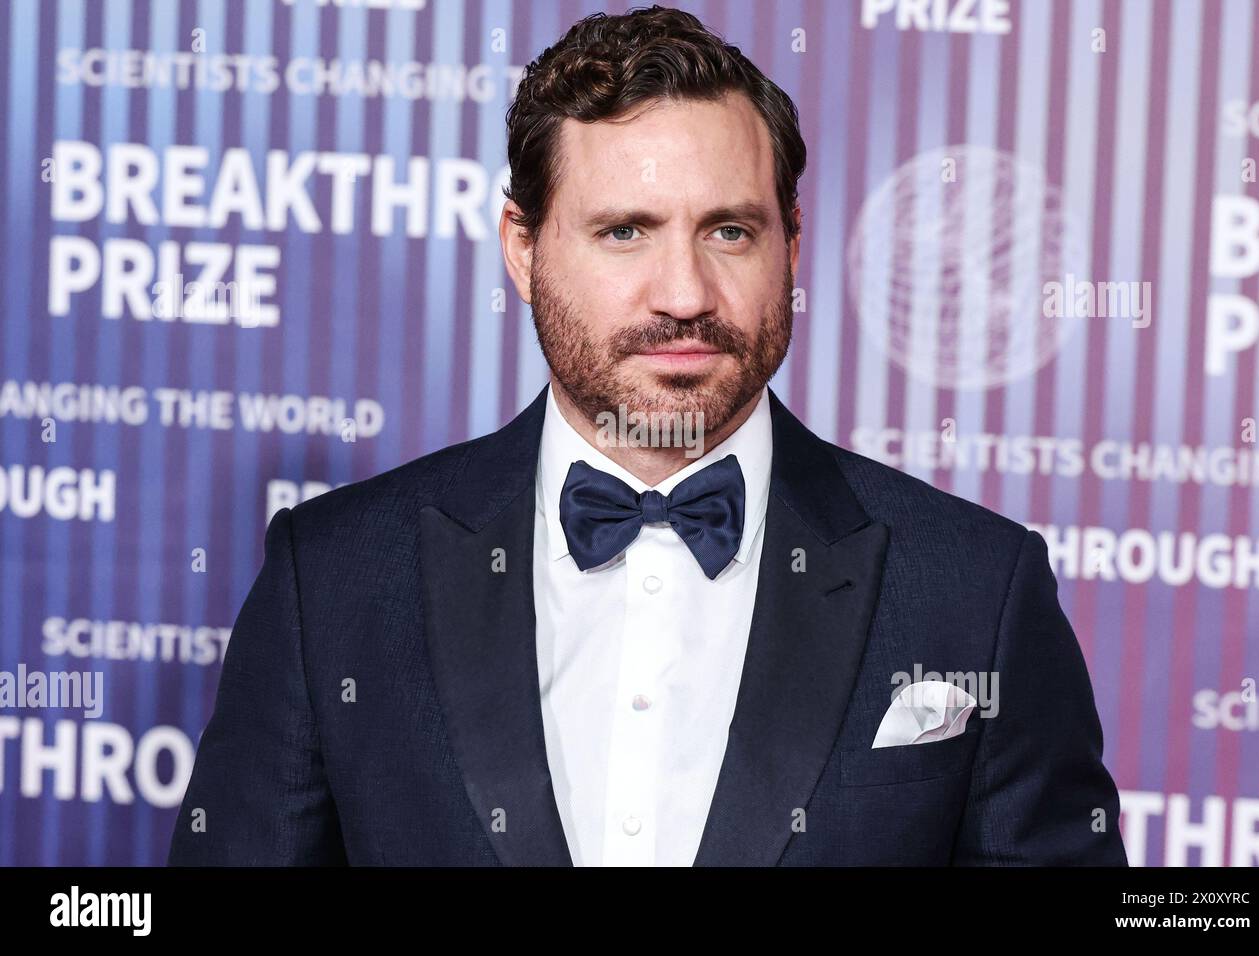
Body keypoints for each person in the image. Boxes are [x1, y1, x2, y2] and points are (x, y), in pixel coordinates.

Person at [168, 5, 1127, 867]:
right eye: (625, 231)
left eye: (730, 232)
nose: (684, 295)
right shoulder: (332, 579)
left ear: (791, 239)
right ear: (523, 246)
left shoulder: (973, 589)